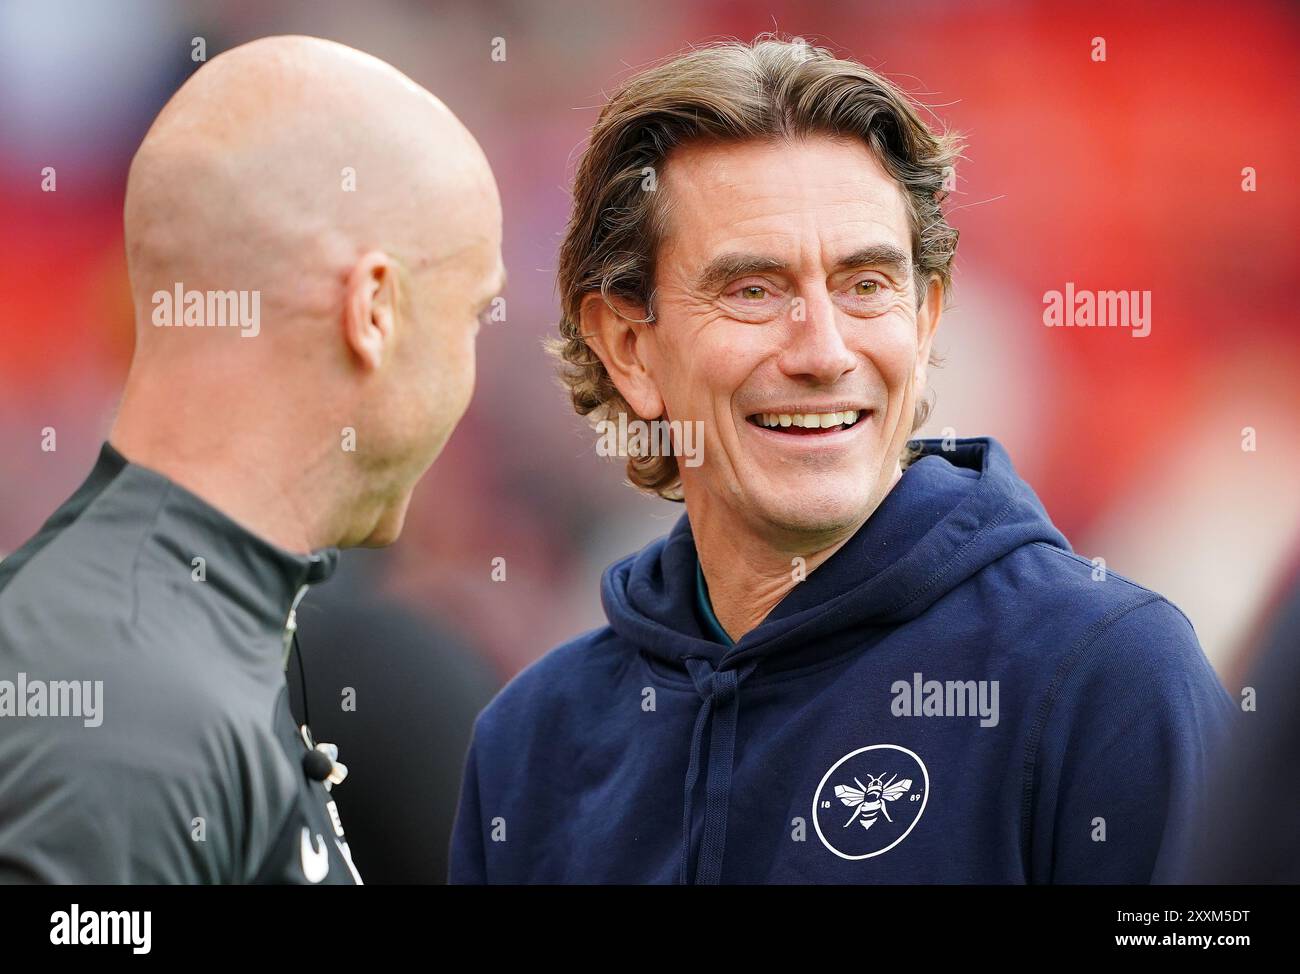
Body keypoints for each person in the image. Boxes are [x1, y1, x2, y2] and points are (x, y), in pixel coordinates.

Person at [449, 37, 1233, 884]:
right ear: (630, 348)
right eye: (753, 290)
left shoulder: (1108, 678)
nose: (824, 351)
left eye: (866, 285)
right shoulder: (530, 744)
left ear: (927, 319)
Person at [0, 35, 503, 883]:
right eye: (473, 315)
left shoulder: (182, 630)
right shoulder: (121, 705)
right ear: (373, 309)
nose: (471, 369)